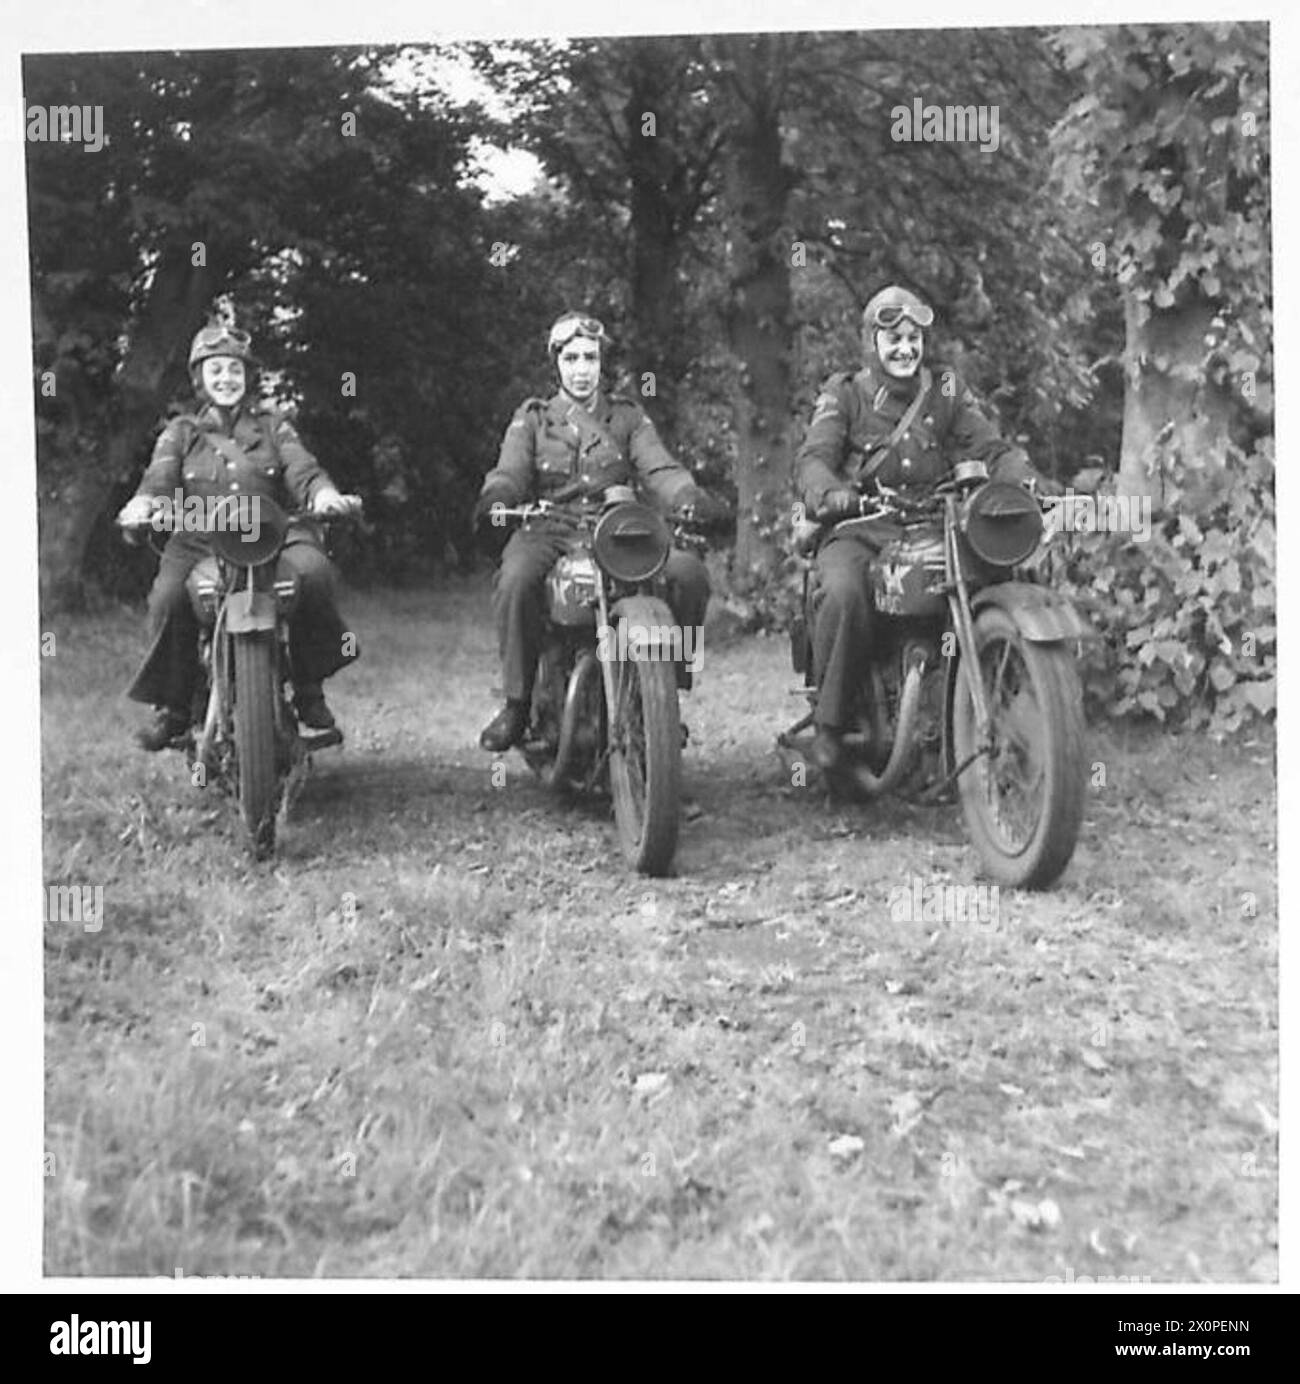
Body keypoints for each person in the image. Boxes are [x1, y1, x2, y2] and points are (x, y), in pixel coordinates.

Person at [795, 284, 1055, 771]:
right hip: (864, 527)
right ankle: (830, 726)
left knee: (1005, 574)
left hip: (939, 523)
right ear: (871, 342)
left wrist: (1032, 483)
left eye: (914, 338)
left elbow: (990, 448)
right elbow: (813, 458)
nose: (905, 348)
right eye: (893, 337)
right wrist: (830, 494)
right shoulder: (844, 392)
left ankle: (1011, 703)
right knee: (843, 590)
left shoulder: (946, 388)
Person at [473, 311, 723, 752]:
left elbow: (660, 466)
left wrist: (688, 497)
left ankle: (667, 692)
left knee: (689, 575)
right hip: (549, 528)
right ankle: (517, 701)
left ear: (602, 362)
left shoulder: (627, 417)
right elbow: (509, 472)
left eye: (590, 358)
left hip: (619, 529)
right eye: (571, 359)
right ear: (557, 363)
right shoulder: (534, 418)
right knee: (515, 581)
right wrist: (498, 499)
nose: (582, 369)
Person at [117, 322, 358, 750]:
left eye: (234, 369)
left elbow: (301, 467)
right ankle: (175, 708)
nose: (226, 378)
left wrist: (324, 495)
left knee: (316, 574)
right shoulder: (182, 430)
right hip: (198, 537)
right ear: (200, 379)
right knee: (168, 598)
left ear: (247, 377)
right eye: (216, 370)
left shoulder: (273, 426)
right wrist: (145, 505)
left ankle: (308, 691)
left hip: (273, 532)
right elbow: (159, 474)